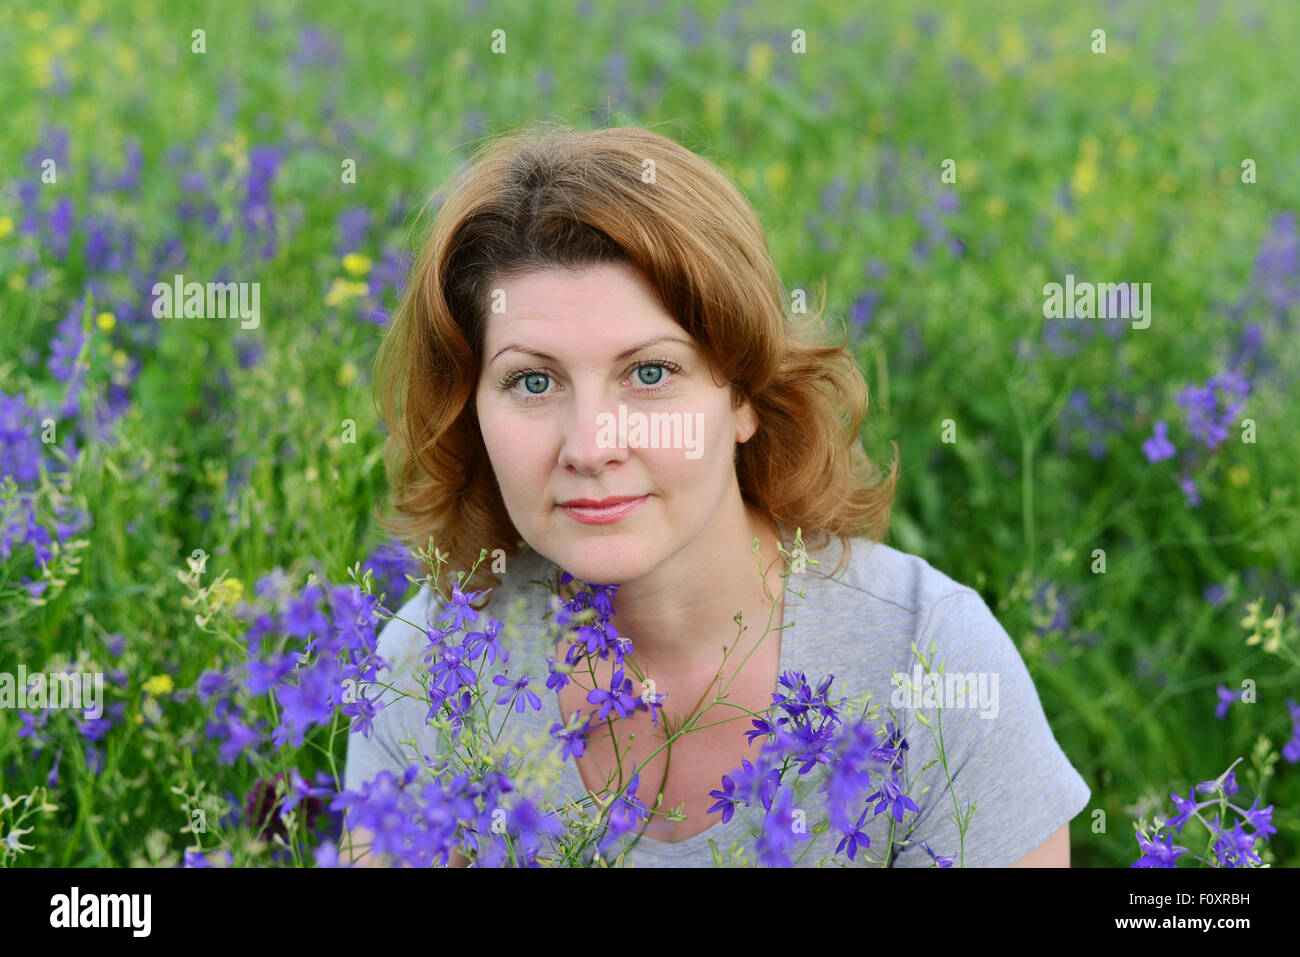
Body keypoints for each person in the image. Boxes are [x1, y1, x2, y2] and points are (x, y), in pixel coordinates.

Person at [343, 121, 1089, 867]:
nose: (592, 445)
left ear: (743, 395)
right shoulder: (434, 671)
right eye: (532, 381)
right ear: (471, 410)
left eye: (650, 373)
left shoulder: (931, 660)